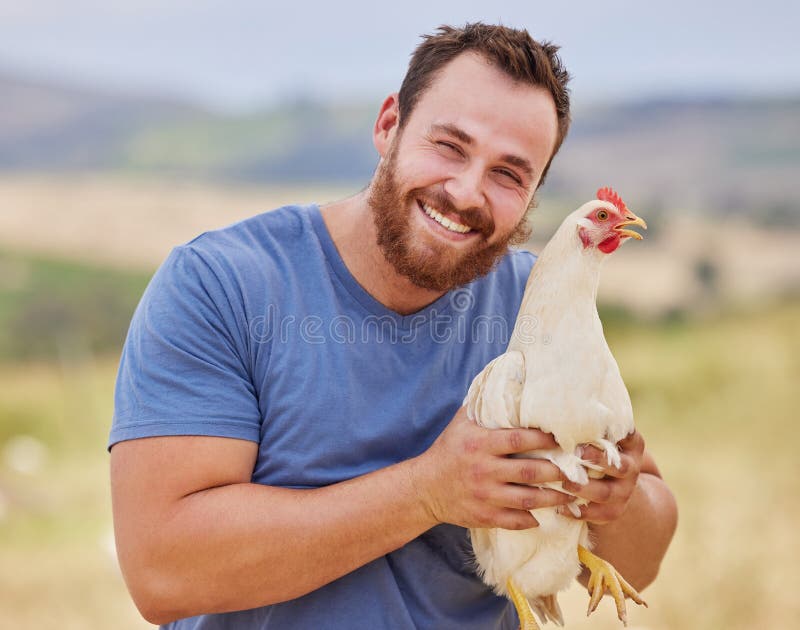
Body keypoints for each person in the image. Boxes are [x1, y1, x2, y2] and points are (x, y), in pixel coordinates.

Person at [109, 23, 677, 629]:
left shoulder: (538, 304)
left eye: (509, 174)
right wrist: (427, 492)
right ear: (389, 127)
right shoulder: (221, 286)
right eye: (450, 146)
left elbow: (641, 559)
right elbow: (162, 572)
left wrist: (613, 500)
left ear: (533, 196)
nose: (467, 192)